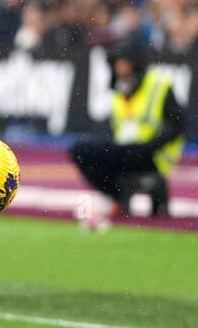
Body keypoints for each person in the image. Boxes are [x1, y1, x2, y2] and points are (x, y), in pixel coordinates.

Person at [69, 40, 186, 220]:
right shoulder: (119, 89)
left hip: (153, 155)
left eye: (124, 64)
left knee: (101, 152)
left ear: (136, 65)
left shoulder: (158, 85)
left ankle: (118, 196)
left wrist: (147, 147)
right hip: (125, 151)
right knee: (80, 151)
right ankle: (115, 195)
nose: (120, 69)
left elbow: (177, 126)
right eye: (117, 64)